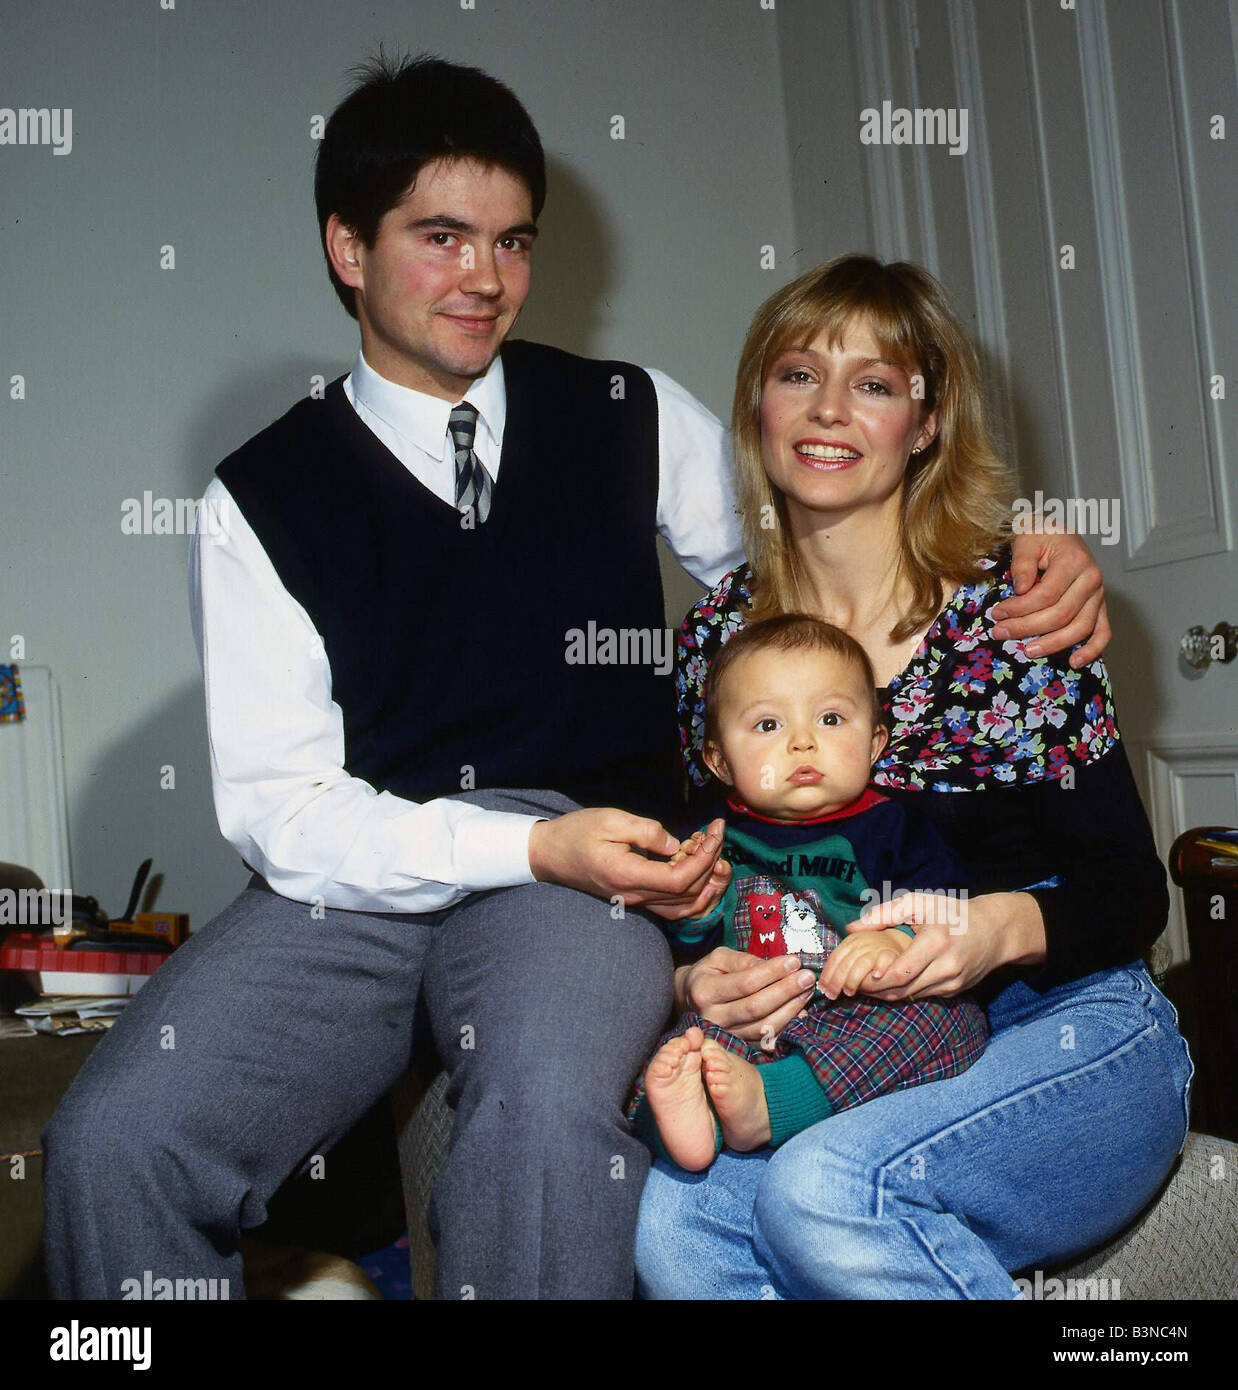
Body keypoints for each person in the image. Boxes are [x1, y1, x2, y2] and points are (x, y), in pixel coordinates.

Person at [41, 50, 1112, 1300]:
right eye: (441, 238)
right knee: (111, 1140)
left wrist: (1005, 548)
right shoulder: (256, 499)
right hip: (355, 871)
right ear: (347, 247)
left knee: (548, 1118)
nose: (484, 280)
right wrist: (516, 851)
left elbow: (797, 584)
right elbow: (285, 812)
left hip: (598, 866)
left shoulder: (629, 411)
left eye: (512, 242)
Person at [635, 253, 1193, 1300]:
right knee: (673, 1234)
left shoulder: (1016, 616)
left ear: (925, 422)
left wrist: (988, 928)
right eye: (797, 373)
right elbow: (702, 880)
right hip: (837, 1043)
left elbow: (1129, 896)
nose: (829, 408)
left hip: (1066, 1023)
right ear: (756, 403)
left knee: (820, 1189)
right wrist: (688, 977)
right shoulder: (718, 639)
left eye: (875, 383)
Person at [630, 614, 988, 1172]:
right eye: (768, 725)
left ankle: (771, 1105)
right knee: (676, 1046)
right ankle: (675, 1116)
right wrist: (694, 908)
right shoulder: (707, 837)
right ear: (719, 760)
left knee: (954, 1018)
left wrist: (896, 940)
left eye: (829, 718)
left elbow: (950, 913)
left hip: (859, 1014)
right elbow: (685, 943)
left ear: (874, 744)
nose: (802, 742)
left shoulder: (894, 828)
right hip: (750, 1019)